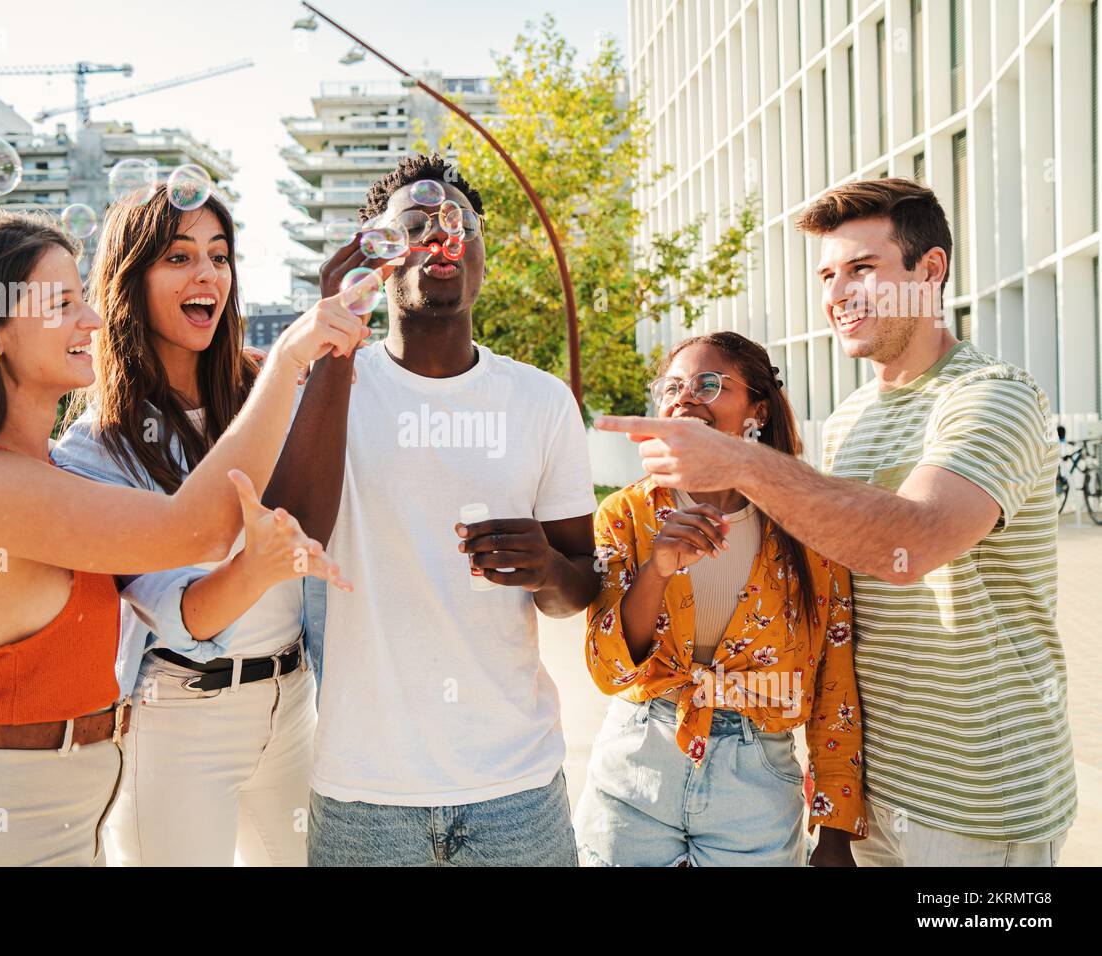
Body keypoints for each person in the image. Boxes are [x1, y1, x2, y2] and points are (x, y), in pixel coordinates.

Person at [597, 178, 1075, 865]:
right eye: (827, 274)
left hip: (977, 799)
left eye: (862, 268)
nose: (838, 292)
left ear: (929, 270)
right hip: (878, 793)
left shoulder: (992, 397)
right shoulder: (850, 421)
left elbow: (909, 542)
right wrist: (838, 811)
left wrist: (737, 462)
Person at [0, 208, 362, 866]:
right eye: (63, 303)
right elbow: (200, 529)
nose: (92, 321)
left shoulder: (29, 473)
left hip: (63, 809)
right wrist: (292, 358)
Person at [262, 154, 601, 866]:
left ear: (480, 255)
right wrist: (334, 344)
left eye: (457, 224)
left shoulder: (541, 401)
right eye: (412, 227)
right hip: (364, 792)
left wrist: (544, 569)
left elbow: (581, 589)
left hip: (517, 787)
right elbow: (292, 536)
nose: (440, 238)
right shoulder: (316, 386)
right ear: (375, 259)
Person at [54, 186, 380, 866]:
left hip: (291, 703)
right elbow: (187, 615)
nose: (207, 275)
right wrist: (255, 565)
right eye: (178, 256)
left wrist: (323, 362)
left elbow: (307, 521)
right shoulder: (94, 451)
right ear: (129, 279)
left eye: (220, 256)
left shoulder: (269, 392)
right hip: (179, 718)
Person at [574, 331, 864, 867]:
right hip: (636, 768)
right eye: (673, 386)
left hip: (755, 784)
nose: (685, 397)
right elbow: (609, 670)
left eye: (709, 384)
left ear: (757, 410)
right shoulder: (625, 516)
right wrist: (656, 569)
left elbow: (834, 686)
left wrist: (836, 828)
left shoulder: (810, 525)